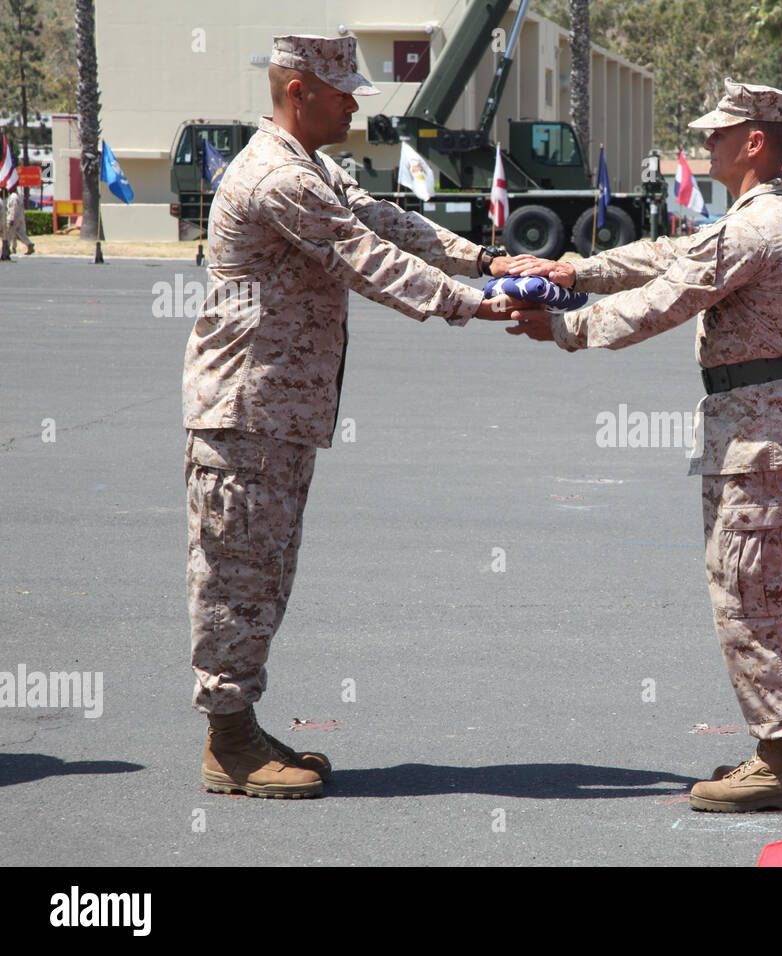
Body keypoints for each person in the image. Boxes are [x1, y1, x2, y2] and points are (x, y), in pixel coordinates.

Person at [183, 33, 528, 799]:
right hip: (245, 409)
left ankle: (238, 725)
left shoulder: (314, 167)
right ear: (298, 89)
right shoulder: (279, 176)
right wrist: (472, 303)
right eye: (341, 88)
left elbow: (383, 220)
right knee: (237, 575)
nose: (353, 100)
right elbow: (362, 257)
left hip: (277, 412)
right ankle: (228, 741)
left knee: (262, 573)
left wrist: (484, 260)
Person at [498, 78, 782, 812]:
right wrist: (574, 271)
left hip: (765, 441)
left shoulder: (759, 227)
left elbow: (668, 298)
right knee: (771, 592)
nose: (706, 142)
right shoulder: (758, 216)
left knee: (758, 597)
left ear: (754, 141)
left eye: (719, 133)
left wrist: (567, 325)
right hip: (763, 430)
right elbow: (667, 256)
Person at [4, 186, 35, 255]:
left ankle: (6, 248)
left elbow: (13, 208)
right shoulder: (19, 196)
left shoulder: (13, 197)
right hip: (20, 218)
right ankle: (28, 244)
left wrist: (12, 218)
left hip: (14, 218)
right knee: (19, 233)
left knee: (9, 233)